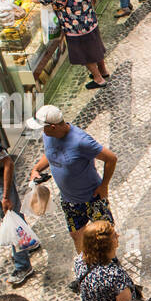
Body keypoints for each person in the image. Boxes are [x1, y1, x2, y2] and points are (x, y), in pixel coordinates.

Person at [27, 105, 117, 258]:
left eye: (43, 127)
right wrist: (36, 169)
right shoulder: (48, 135)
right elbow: (49, 153)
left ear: (53, 126)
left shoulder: (81, 141)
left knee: (106, 237)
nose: (41, 131)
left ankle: (111, 266)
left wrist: (104, 185)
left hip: (93, 198)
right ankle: (85, 267)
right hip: (69, 200)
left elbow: (111, 158)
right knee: (76, 235)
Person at [39, 0, 108, 90]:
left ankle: (98, 79)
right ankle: (103, 71)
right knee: (96, 47)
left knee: (86, 55)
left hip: (76, 30)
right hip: (90, 21)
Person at [0, 147, 35, 287]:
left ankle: (23, 266)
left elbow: (8, 163)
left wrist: (6, 197)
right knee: (13, 220)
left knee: (12, 221)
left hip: (2, 185)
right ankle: (28, 243)